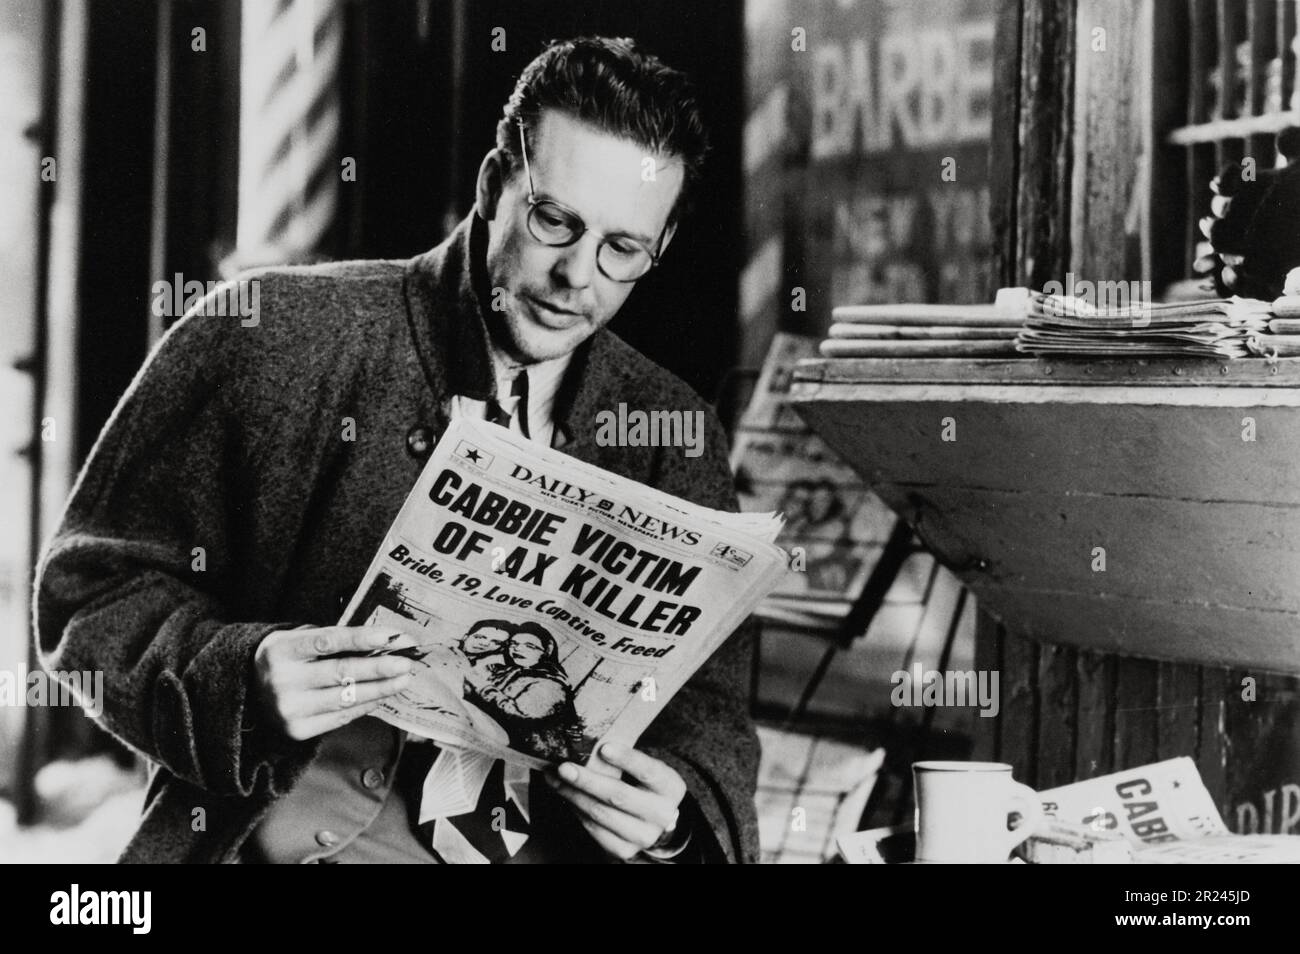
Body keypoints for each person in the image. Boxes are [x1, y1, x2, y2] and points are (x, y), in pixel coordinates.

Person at [34, 35, 759, 864]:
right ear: (494, 186)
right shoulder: (268, 334)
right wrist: (246, 672)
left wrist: (673, 825)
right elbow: (89, 592)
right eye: (554, 221)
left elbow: (708, 719)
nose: (577, 278)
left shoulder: (675, 433)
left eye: (623, 250)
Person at [469, 623, 587, 763]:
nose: (518, 648)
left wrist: (481, 686)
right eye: (514, 644)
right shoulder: (504, 672)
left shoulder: (551, 685)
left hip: (534, 758)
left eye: (529, 646)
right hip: (494, 746)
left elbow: (521, 716)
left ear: (546, 651)